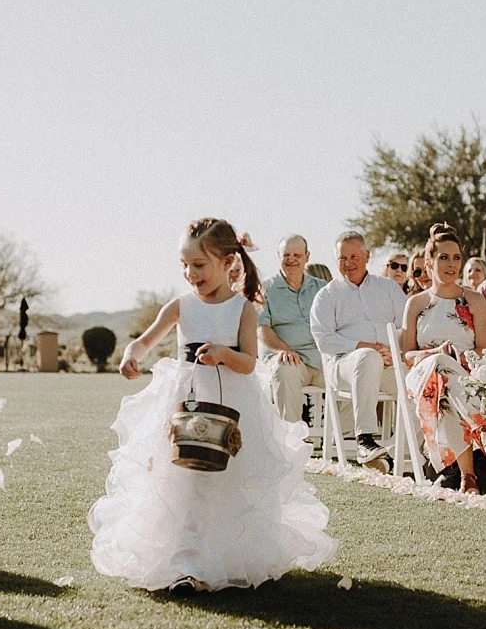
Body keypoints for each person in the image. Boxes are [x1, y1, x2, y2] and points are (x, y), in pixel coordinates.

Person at [89, 217, 337, 591]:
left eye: (199, 265)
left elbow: (250, 362)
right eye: (185, 266)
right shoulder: (181, 306)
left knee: (225, 483)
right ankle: (185, 564)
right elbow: (146, 340)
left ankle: (223, 558)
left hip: (231, 405)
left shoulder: (243, 309)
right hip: (185, 404)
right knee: (184, 480)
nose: (191, 273)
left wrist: (224, 354)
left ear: (227, 262)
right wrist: (131, 354)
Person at [399, 224, 486, 493]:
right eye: (443, 257)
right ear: (429, 262)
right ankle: (483, 427)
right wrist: (434, 354)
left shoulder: (475, 300)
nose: (451, 264)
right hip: (422, 377)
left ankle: (468, 476)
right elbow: (407, 354)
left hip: (465, 376)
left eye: (456, 258)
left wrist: (459, 358)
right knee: (438, 367)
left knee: (446, 382)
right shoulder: (417, 303)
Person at [309, 230, 409, 470]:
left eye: (354, 256)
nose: (349, 263)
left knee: (419, 385)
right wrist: (361, 347)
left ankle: (395, 453)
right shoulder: (327, 295)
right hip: (343, 365)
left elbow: (405, 327)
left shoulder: (388, 288)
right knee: (367, 357)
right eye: (343, 258)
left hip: (386, 362)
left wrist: (392, 350)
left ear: (367, 256)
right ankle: (365, 439)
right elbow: (324, 340)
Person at [258, 234, 327, 424]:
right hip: (288, 359)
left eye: (297, 255)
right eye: (286, 254)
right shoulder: (265, 289)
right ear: (278, 256)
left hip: (321, 360)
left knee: (349, 371)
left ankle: (345, 440)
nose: (292, 259)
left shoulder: (323, 288)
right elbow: (262, 329)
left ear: (307, 256)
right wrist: (284, 349)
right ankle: (293, 440)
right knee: (285, 370)